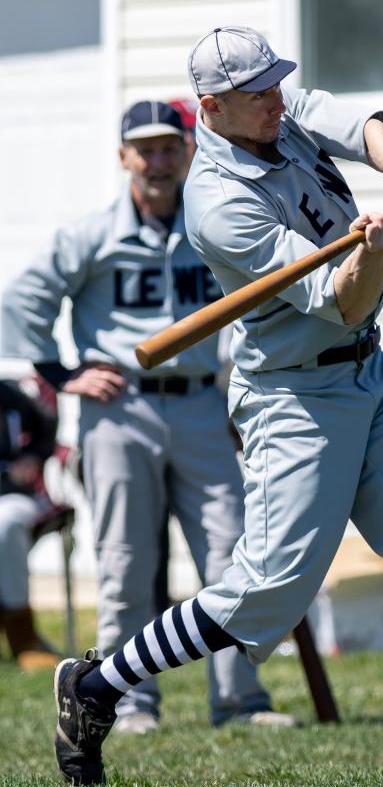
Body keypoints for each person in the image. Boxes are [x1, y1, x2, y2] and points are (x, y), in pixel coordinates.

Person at [47, 28, 383, 786]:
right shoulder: (217, 204)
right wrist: (373, 248)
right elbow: (344, 301)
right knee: (266, 591)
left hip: (371, 375)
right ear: (211, 108)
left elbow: (368, 129)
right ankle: (96, 686)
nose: (275, 99)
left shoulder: (280, 112)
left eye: (275, 82)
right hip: (294, 396)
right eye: (255, 92)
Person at [0, 99, 297, 734]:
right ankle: (127, 702)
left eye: (169, 148)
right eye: (145, 150)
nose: (158, 162)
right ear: (123, 157)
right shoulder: (93, 234)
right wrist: (61, 374)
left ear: (188, 151)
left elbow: (262, 299)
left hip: (201, 402)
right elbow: (22, 300)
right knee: (125, 562)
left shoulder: (212, 221)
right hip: (119, 409)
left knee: (232, 553)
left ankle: (239, 700)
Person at [0, 376, 62, 671]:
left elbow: (45, 427)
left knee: (6, 523)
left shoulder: (10, 393)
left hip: (9, 494)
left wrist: (31, 457)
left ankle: (23, 637)